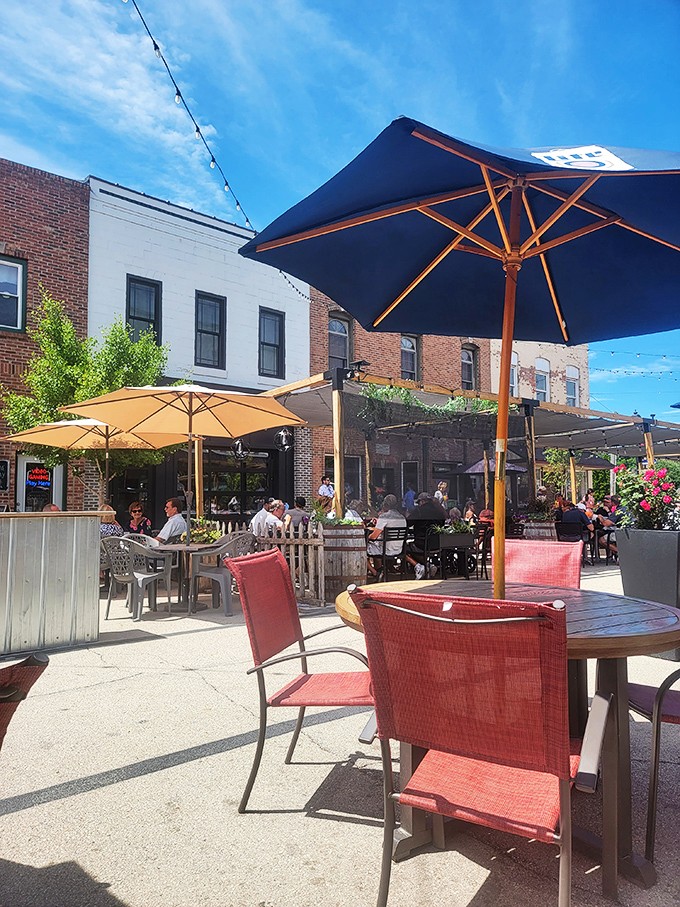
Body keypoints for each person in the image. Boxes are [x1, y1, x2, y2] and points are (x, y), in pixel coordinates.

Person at [406, 492, 448, 578]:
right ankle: (428, 566)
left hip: (422, 543)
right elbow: (443, 523)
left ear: (423, 501)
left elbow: (408, 522)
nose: (418, 504)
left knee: (404, 548)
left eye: (419, 502)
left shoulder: (419, 511)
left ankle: (423, 566)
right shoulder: (439, 511)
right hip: (437, 543)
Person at [366, 494, 407, 577]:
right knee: (377, 545)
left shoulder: (384, 516)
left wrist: (367, 537)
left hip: (386, 550)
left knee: (365, 547)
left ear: (385, 505)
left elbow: (374, 537)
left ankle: (377, 572)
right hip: (399, 550)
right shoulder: (402, 517)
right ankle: (381, 570)